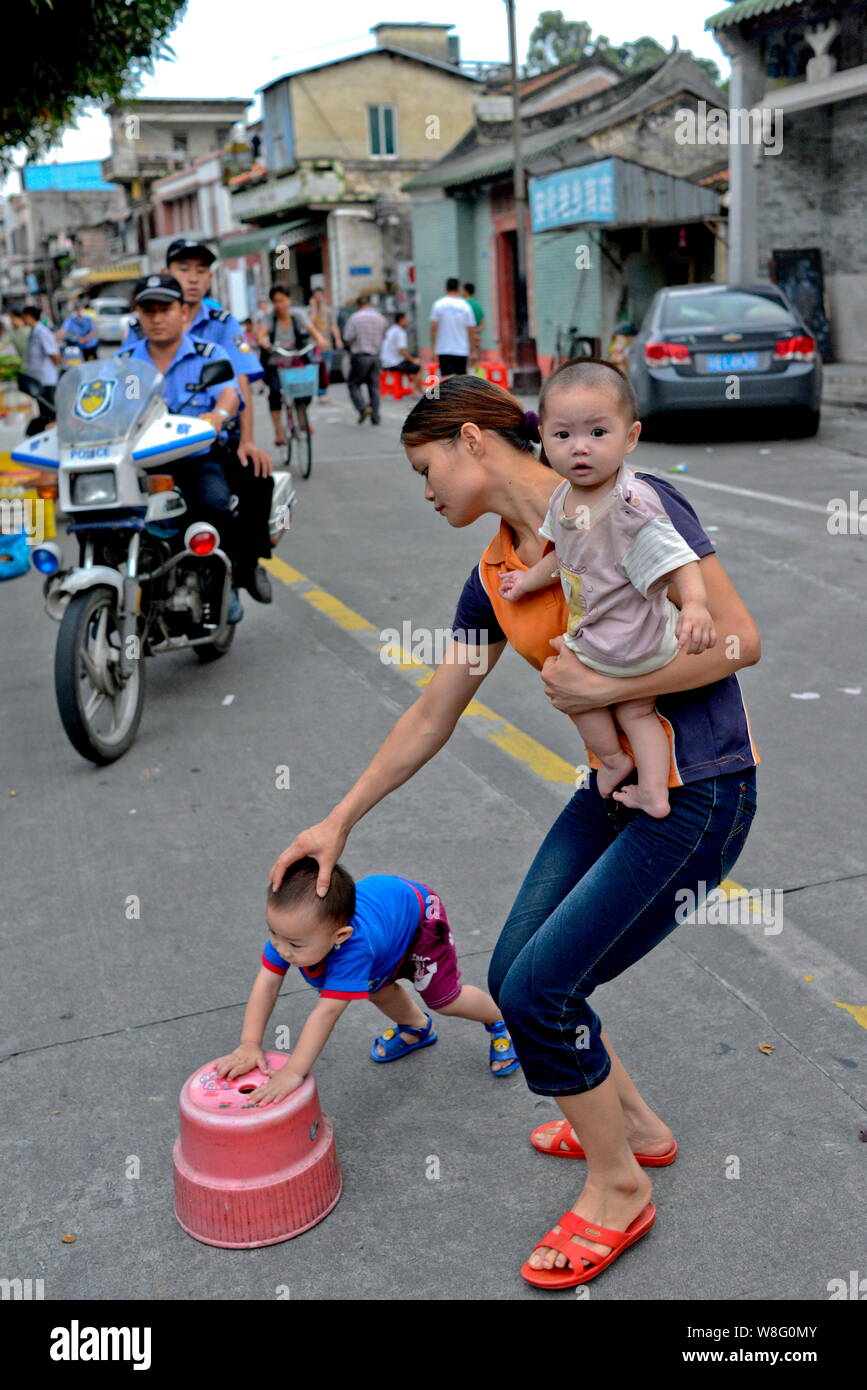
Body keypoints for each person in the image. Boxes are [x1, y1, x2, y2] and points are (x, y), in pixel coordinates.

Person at [267, 372, 761, 1289]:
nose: (425, 493)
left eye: (426, 469)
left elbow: (737, 638)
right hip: (615, 789)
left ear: (470, 441)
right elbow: (432, 713)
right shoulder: (496, 573)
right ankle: (638, 1131)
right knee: (516, 972)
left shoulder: (628, 497)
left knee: (539, 993)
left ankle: (616, 1188)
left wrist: (600, 692)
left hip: (698, 790)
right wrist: (335, 820)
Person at [499, 362, 716, 819]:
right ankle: (651, 790)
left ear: (630, 437)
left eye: (598, 433)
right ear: (544, 441)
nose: (580, 448)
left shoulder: (631, 504)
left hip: (633, 638)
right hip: (606, 631)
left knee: (568, 679)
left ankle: (616, 762)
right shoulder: (564, 497)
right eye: (563, 436)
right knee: (633, 712)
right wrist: (525, 581)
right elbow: (561, 558)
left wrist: (695, 605)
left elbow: (680, 559)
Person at [213, 857, 520, 1105]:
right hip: (387, 927)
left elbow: (327, 1012)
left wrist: (293, 1072)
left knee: (444, 998)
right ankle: (417, 1027)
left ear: (340, 936)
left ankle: (503, 1021)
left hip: (418, 918)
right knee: (377, 989)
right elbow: (267, 983)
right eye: (272, 932)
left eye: (293, 945)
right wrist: (249, 1045)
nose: (280, 948)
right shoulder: (291, 935)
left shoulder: (352, 950)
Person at [124, 239, 274, 605]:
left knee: (248, 482)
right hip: (147, 445)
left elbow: (237, 384)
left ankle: (240, 568)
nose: (192, 278)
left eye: (201, 271)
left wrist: (244, 438)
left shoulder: (221, 326)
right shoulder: (137, 331)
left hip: (209, 436)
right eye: (183, 269)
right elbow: (121, 381)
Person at [116, 273, 245, 625]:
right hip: (140, 463)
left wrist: (218, 415)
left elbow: (229, 392)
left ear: (183, 313)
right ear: (138, 315)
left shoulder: (207, 355)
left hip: (194, 458)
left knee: (215, 507)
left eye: (165, 309)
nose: (157, 318)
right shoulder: (127, 363)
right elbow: (120, 406)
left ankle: (222, 587)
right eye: (148, 310)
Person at [257, 284, 326, 446]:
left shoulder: (298, 315)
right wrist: (263, 342)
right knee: (274, 393)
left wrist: (321, 340)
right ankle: (278, 430)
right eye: (276, 301)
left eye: (282, 300)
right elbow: (261, 334)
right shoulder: (270, 318)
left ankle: (302, 417)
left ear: (289, 300)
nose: (280, 305)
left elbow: (312, 330)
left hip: (297, 360)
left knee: (307, 389)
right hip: (276, 363)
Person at [343, 293, 388, 425]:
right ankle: (375, 417)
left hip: (360, 356)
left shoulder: (355, 318)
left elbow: (348, 337)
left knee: (353, 384)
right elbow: (385, 336)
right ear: (370, 304)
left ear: (358, 305)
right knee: (374, 387)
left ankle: (362, 408)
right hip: (375, 356)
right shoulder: (381, 318)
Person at [19, 303, 60, 430]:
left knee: (50, 412)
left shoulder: (42, 332)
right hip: (38, 379)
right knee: (43, 412)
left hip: (47, 379)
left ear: (29, 316)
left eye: (24, 316)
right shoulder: (33, 332)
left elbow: (54, 355)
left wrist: (56, 371)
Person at [430, 277, 478, 377]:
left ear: (446, 288)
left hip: (443, 349)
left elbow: (434, 328)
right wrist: (473, 350)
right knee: (460, 383)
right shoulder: (465, 306)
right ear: (459, 289)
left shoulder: (439, 305)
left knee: (447, 381)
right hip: (461, 349)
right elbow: (471, 330)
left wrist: (433, 349)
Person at [307, 287, 343, 399]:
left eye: (320, 295)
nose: (318, 298)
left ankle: (322, 392)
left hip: (326, 345)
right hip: (313, 346)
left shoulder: (328, 311)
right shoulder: (309, 311)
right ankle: (318, 392)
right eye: (316, 296)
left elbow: (333, 326)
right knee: (315, 370)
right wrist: (313, 308)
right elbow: (310, 325)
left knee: (326, 370)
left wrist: (338, 339)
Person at [380, 310, 423, 397]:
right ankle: (416, 392)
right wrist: (413, 360)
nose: (408, 321)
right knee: (418, 368)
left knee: (411, 366)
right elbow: (402, 351)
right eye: (406, 319)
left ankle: (415, 390)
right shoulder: (400, 332)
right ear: (401, 320)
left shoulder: (391, 330)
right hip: (394, 363)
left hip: (385, 363)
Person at [462, 282, 485, 364]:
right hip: (476, 339)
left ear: (465, 291)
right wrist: (474, 331)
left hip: (464, 340)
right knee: (476, 365)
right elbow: (482, 325)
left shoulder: (462, 305)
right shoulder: (477, 305)